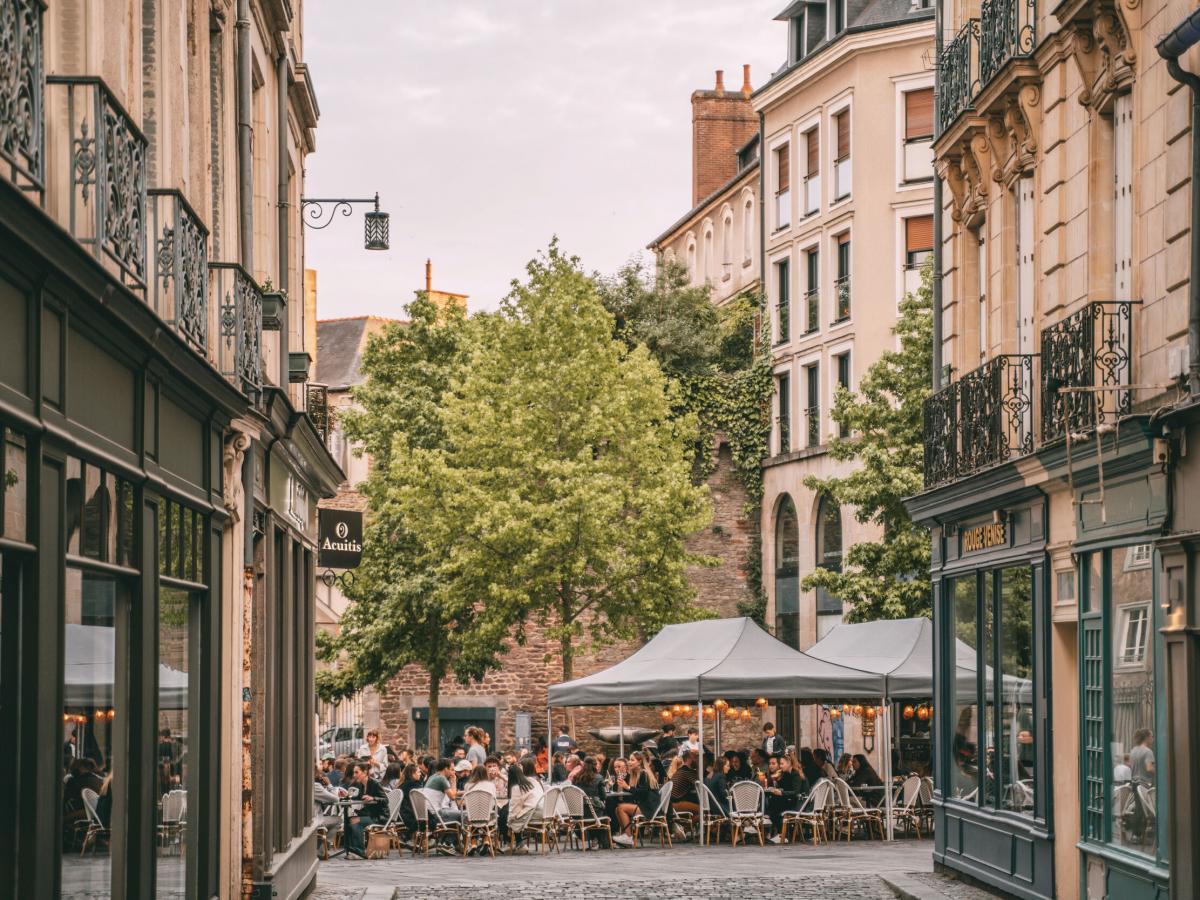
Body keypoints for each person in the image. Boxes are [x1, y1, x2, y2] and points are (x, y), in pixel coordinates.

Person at [344, 761, 389, 855]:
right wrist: (346, 795)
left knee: (354, 821)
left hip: (380, 816)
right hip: (369, 814)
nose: (354, 775)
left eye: (357, 772)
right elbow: (359, 798)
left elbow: (385, 800)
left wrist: (373, 798)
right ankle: (352, 850)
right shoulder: (361, 784)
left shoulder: (374, 783)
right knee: (350, 820)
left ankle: (359, 851)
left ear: (364, 772)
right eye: (353, 772)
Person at [613, 754, 657, 846]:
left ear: (639, 761)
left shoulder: (644, 773)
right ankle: (626, 835)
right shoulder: (636, 774)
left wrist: (627, 787)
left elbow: (643, 792)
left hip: (649, 808)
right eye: (629, 759)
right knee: (617, 809)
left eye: (632, 760)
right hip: (643, 805)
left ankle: (628, 837)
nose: (629, 762)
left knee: (621, 808)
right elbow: (634, 791)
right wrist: (625, 786)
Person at [422, 758, 465, 849]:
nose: (454, 772)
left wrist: (462, 792)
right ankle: (450, 843)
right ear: (446, 769)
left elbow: (450, 793)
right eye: (452, 769)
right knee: (463, 815)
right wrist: (453, 781)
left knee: (454, 815)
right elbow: (452, 797)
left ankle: (450, 843)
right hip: (435, 814)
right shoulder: (442, 779)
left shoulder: (432, 777)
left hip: (427, 814)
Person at [506, 762, 544, 852]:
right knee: (513, 816)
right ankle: (519, 843)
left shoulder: (517, 788)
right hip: (545, 812)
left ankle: (515, 844)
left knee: (509, 817)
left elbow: (514, 809)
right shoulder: (533, 782)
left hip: (533, 814)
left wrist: (508, 823)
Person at [766, 753, 802, 842]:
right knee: (773, 800)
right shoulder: (786, 774)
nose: (780, 766)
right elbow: (784, 787)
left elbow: (795, 792)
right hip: (790, 800)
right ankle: (779, 832)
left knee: (775, 803)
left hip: (800, 803)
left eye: (782, 764)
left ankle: (781, 833)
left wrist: (781, 792)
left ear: (789, 763)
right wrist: (775, 780)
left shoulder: (795, 774)